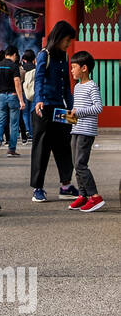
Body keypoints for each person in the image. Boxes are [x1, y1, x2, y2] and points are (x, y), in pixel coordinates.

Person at [30, 21, 77, 203]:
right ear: (58, 38)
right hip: (44, 108)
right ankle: (38, 189)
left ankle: (65, 185)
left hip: (60, 108)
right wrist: (39, 99)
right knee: (41, 149)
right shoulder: (44, 55)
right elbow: (39, 79)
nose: (68, 44)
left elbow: (67, 86)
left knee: (64, 146)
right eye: (67, 40)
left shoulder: (64, 57)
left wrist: (72, 106)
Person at [65, 50, 104, 212]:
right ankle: (83, 195)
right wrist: (69, 117)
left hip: (86, 131)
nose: (72, 70)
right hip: (76, 129)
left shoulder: (91, 86)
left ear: (84, 68)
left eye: (74, 67)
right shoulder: (78, 87)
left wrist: (78, 112)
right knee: (75, 164)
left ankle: (95, 197)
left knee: (81, 164)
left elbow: (98, 107)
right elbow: (77, 108)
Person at [0, 45, 26, 157]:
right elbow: (17, 83)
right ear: (14, 54)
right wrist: (21, 100)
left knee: (1, 121)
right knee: (14, 124)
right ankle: (11, 149)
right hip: (13, 96)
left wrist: (0, 86)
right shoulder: (14, 66)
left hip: (1, 96)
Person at [20, 47, 37, 142]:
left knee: (25, 113)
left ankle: (26, 129)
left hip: (24, 92)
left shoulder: (23, 68)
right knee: (31, 112)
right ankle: (31, 132)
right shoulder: (36, 68)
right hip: (33, 92)